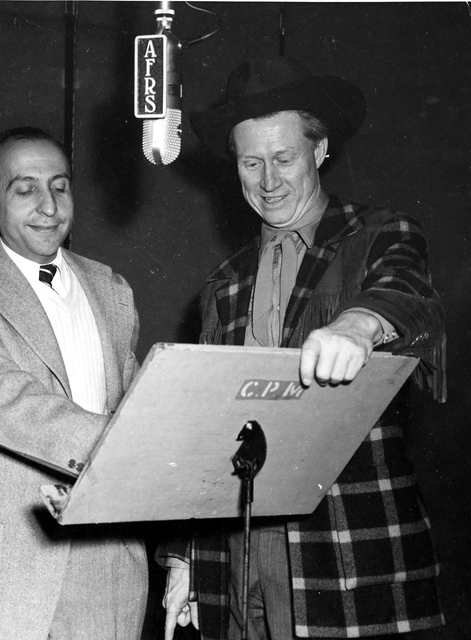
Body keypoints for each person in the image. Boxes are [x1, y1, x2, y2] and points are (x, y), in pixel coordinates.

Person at [161, 58, 446, 640]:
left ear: (320, 152)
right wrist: (184, 560)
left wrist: (359, 325)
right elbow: (203, 426)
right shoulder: (225, 282)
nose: (267, 180)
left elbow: (404, 286)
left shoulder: (378, 233)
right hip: (235, 550)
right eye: (250, 162)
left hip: (342, 545)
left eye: (284, 158)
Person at [0, 127, 148, 640]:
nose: (48, 205)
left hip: (106, 574)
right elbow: (8, 403)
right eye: (25, 189)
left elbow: (138, 403)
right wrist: (140, 453)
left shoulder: (113, 290)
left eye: (60, 187)